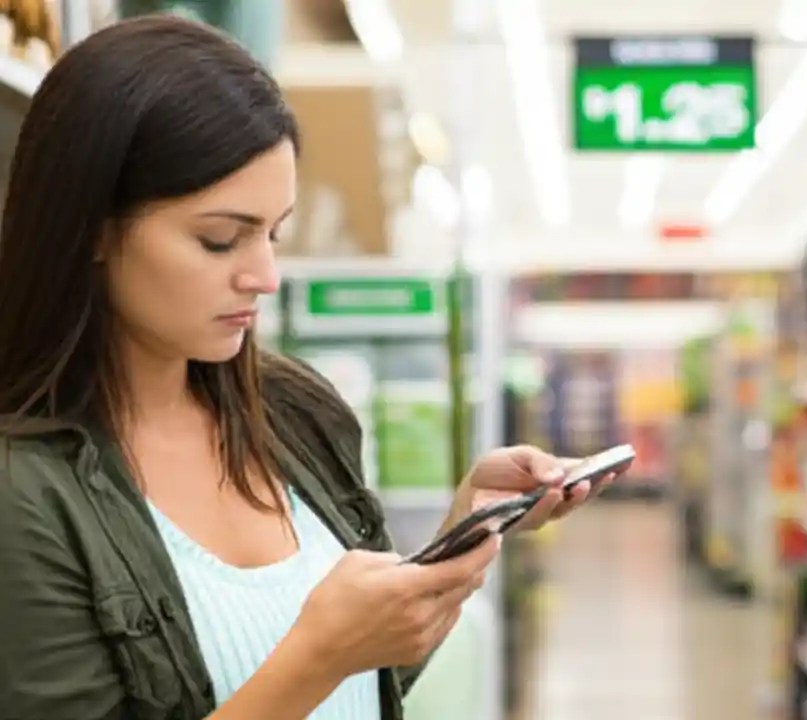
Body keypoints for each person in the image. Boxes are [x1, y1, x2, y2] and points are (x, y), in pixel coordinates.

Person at [0, 15, 611, 720]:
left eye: (274, 233)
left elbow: (361, 685)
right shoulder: (28, 493)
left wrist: (460, 535)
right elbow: (323, 667)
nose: (265, 276)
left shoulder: (293, 412)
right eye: (221, 240)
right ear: (94, 226)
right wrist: (319, 653)